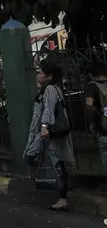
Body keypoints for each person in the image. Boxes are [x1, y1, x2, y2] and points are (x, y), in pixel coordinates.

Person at [25, 58, 76, 211]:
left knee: (51, 163)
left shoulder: (50, 89)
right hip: (51, 133)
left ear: (49, 76)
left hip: (50, 134)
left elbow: (48, 108)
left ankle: (62, 197)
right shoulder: (52, 88)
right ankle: (61, 195)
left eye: (40, 73)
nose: (37, 76)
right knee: (56, 164)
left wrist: (44, 126)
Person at [86, 64, 107, 182]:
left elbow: (89, 104)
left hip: (104, 130)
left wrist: (92, 121)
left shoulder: (92, 86)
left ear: (90, 75)